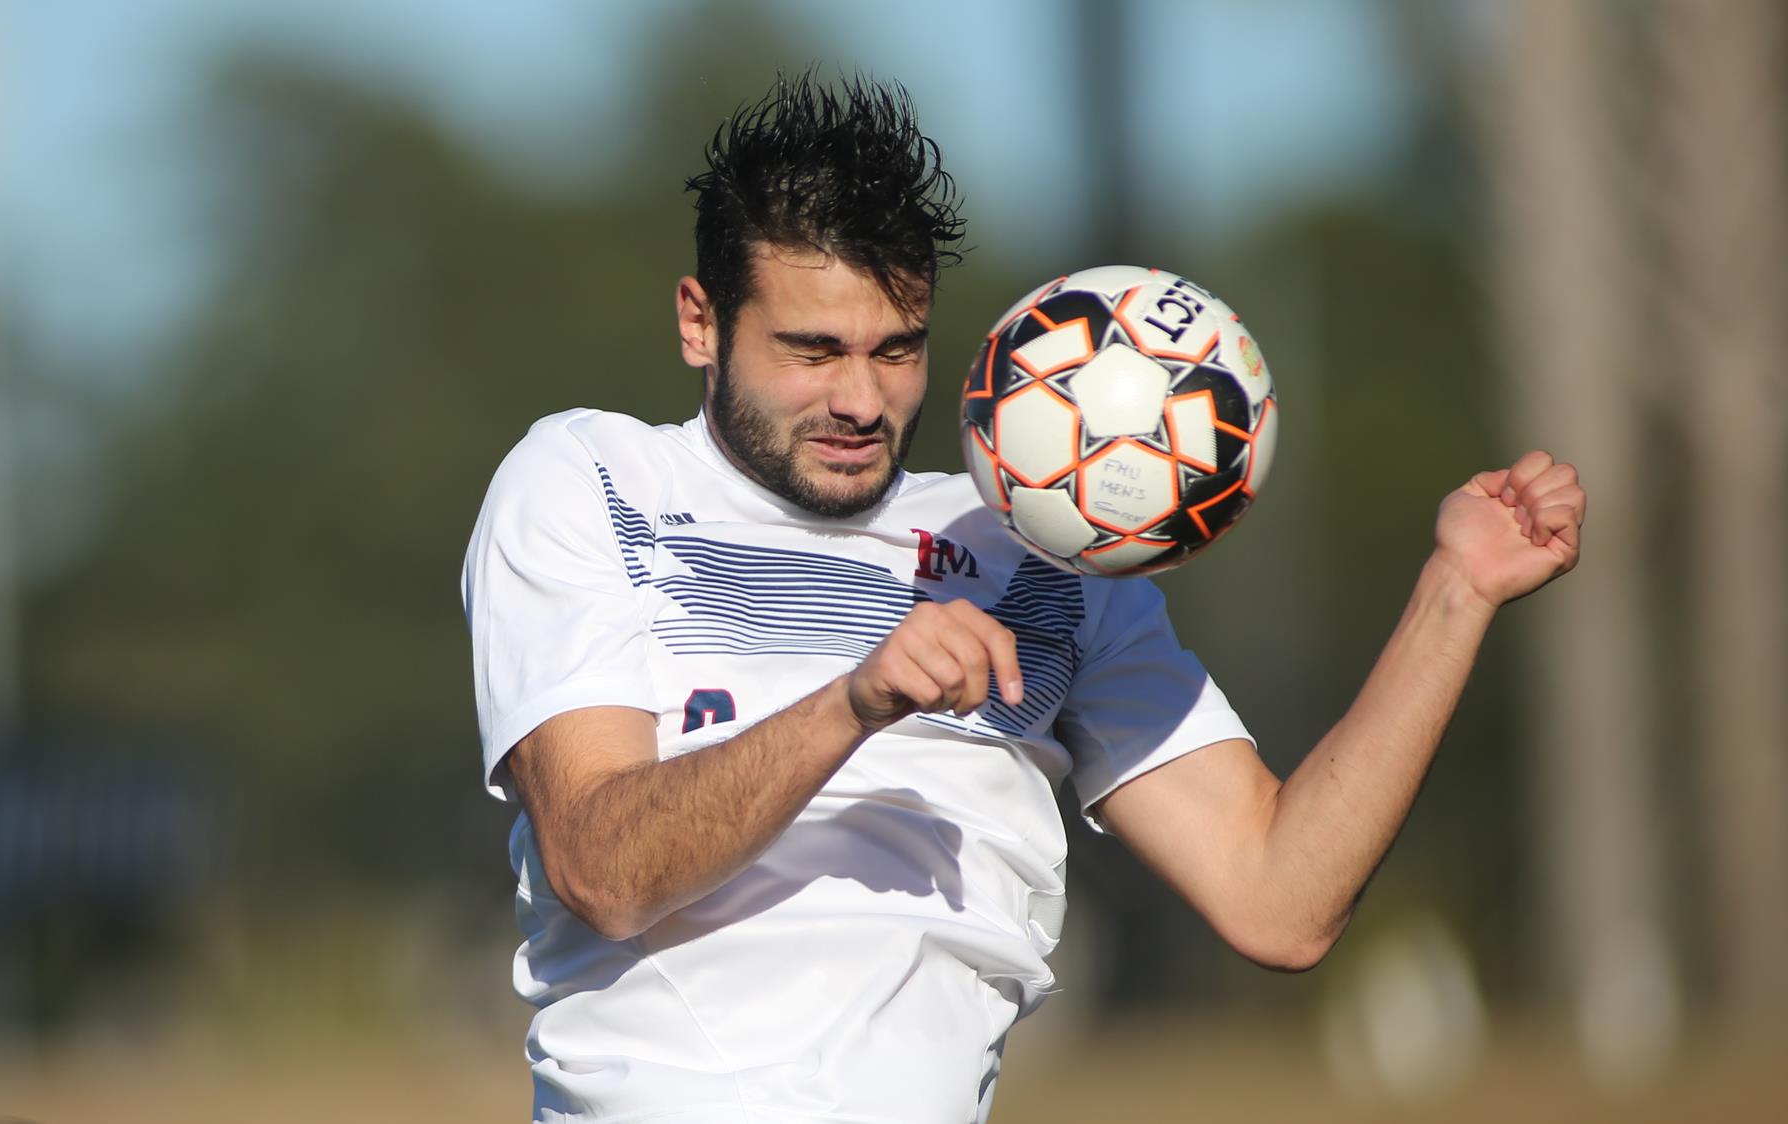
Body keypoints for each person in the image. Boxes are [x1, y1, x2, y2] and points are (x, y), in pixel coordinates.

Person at [462, 71, 1584, 1124]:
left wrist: (1456, 591)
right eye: (811, 350)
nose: (860, 397)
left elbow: (1279, 899)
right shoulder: (592, 481)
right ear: (699, 321)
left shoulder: (1046, 541)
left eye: (896, 349)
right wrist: (855, 702)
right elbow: (602, 871)